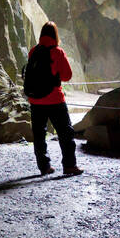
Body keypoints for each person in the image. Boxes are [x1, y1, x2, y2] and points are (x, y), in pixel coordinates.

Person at [23, 23, 83, 177]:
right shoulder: (57, 52)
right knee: (65, 133)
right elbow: (67, 76)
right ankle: (69, 165)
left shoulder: (33, 51)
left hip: (35, 100)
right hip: (55, 100)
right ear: (55, 35)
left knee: (39, 134)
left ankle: (44, 166)